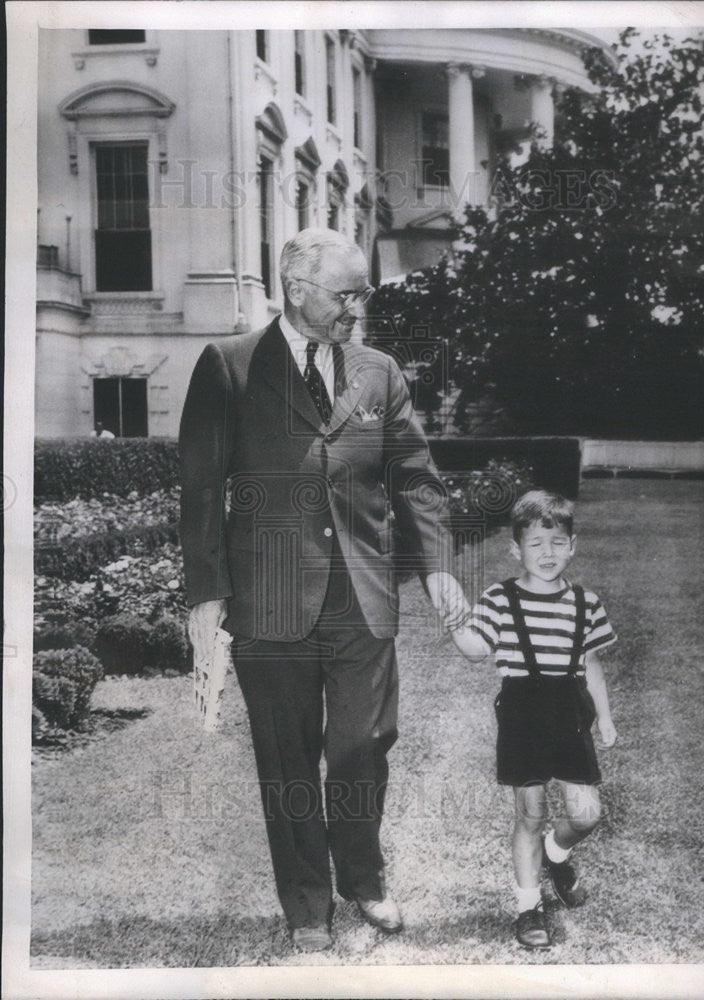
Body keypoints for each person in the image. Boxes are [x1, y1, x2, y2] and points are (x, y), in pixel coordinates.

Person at [179, 228, 469, 952]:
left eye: (361, 294)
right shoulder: (229, 366)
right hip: (269, 600)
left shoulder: (377, 371)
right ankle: (307, 903)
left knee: (362, 746)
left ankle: (363, 879)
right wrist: (207, 595)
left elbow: (415, 476)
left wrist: (435, 564)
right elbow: (200, 489)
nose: (356, 310)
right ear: (296, 287)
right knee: (286, 757)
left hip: (362, 597)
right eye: (345, 295)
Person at [449, 489, 617, 950]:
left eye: (558, 542)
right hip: (522, 715)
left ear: (573, 545)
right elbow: (476, 651)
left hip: (570, 714)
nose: (548, 553)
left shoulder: (586, 602)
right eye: (536, 543)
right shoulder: (499, 599)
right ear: (516, 549)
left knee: (586, 814)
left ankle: (555, 853)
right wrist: (454, 621)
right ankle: (528, 908)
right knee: (531, 812)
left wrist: (604, 718)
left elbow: (593, 664)